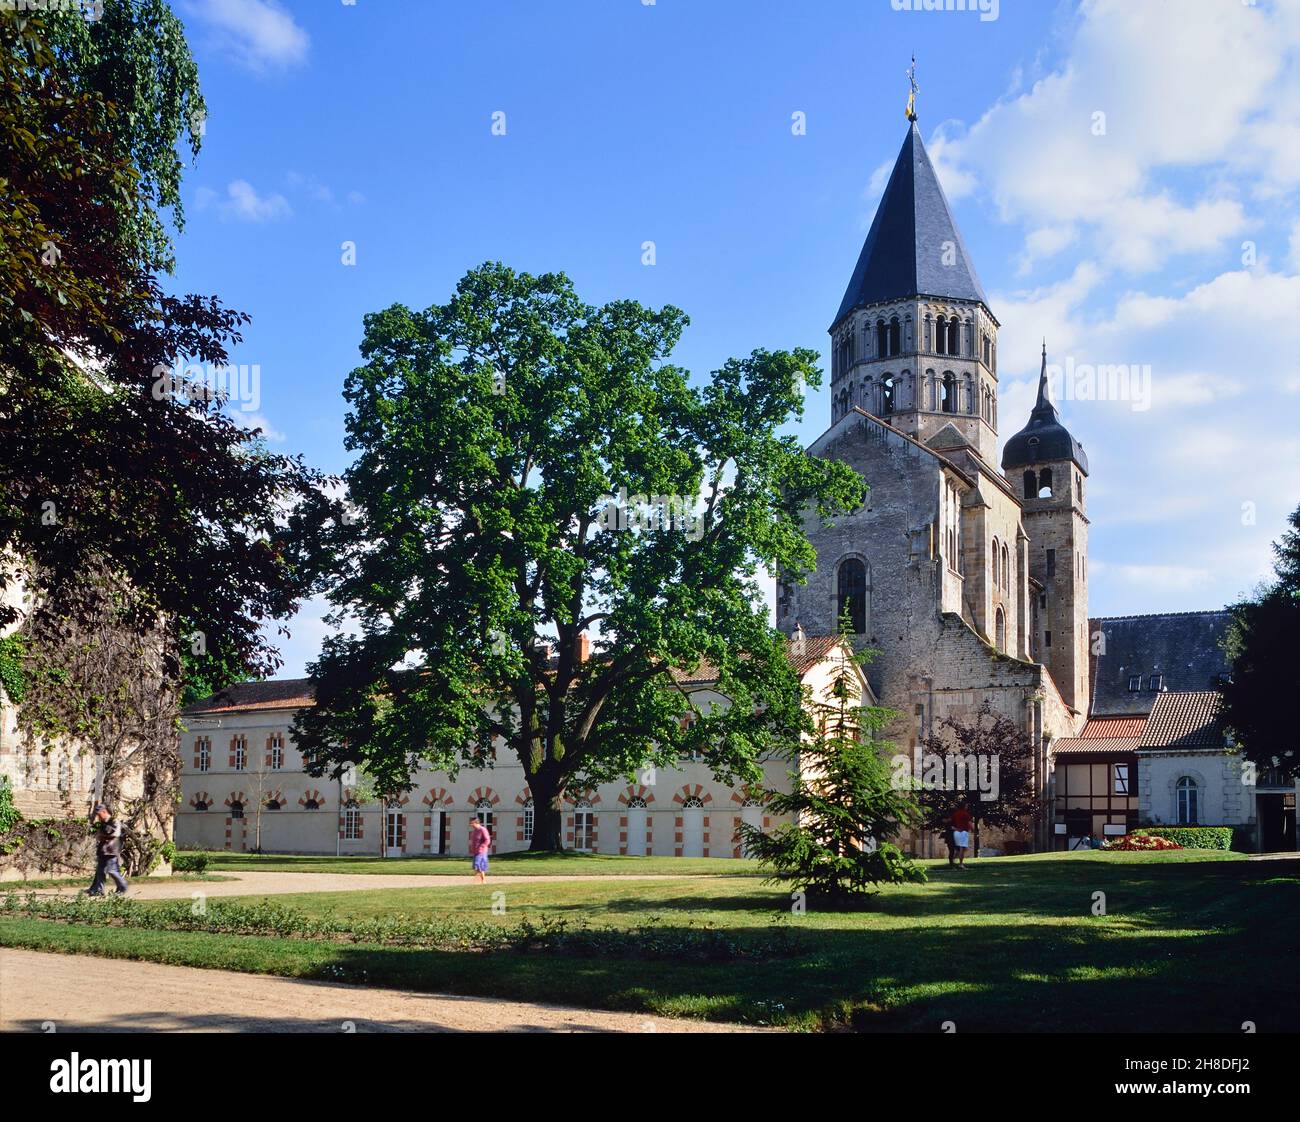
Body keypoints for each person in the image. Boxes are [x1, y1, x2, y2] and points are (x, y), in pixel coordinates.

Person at [86, 803, 128, 896]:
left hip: (111, 851)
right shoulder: (102, 823)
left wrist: (102, 836)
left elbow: (116, 834)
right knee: (100, 871)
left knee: (112, 871)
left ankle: (123, 886)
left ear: (104, 812)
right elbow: (98, 835)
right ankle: (99, 890)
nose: (98, 817)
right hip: (103, 850)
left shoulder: (114, 821)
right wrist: (100, 836)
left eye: (99, 814)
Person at [468, 815, 492, 884]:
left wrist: (482, 846)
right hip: (476, 851)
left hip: (481, 851)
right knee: (478, 866)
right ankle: (481, 880)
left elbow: (487, 840)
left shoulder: (482, 829)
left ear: (476, 823)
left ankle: (479, 881)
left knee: (478, 865)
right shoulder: (474, 831)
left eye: (472, 823)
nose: (471, 825)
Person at [950, 803, 973, 869]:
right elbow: (969, 823)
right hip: (963, 832)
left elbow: (951, 820)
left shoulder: (956, 813)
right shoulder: (965, 814)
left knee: (961, 849)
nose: (967, 807)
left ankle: (954, 860)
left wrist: (954, 828)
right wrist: (973, 830)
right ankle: (960, 864)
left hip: (956, 832)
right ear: (964, 807)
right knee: (962, 849)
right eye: (966, 806)